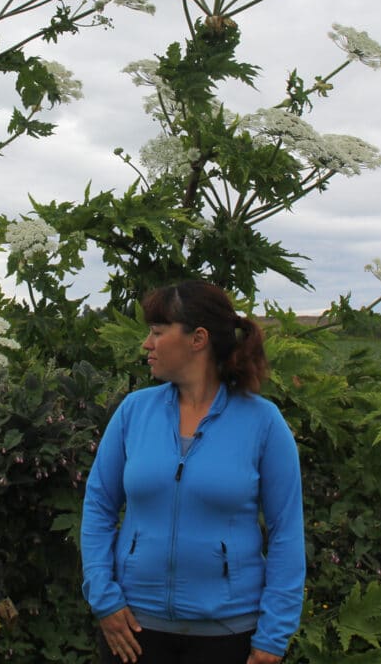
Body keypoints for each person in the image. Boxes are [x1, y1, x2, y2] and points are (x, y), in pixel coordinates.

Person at [81, 281, 305, 664]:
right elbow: (99, 506)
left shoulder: (263, 423)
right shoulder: (134, 412)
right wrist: (104, 599)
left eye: (156, 332)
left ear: (197, 339)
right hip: (133, 632)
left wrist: (273, 638)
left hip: (228, 638)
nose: (146, 344)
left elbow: (286, 533)